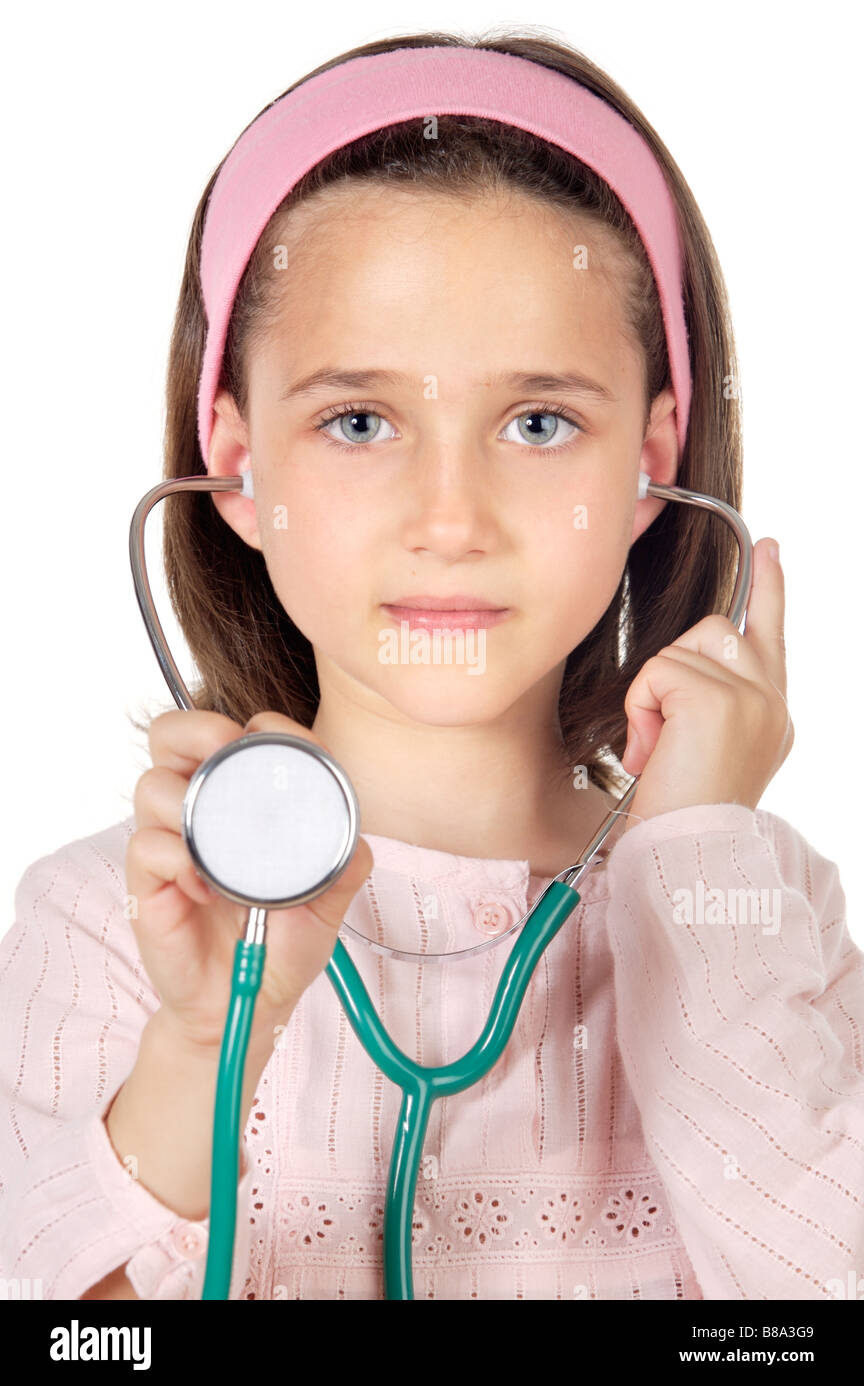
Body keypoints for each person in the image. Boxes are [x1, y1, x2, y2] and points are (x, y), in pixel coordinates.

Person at [2, 29, 862, 1302]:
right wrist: (202, 1045)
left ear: (653, 461)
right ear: (237, 462)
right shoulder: (116, 924)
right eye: (359, 421)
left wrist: (697, 870)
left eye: (537, 422)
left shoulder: (753, 899)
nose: (450, 516)